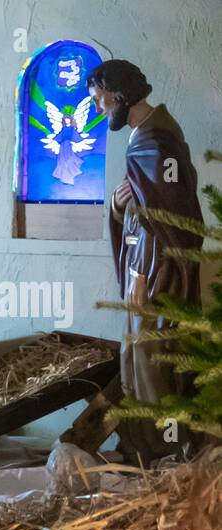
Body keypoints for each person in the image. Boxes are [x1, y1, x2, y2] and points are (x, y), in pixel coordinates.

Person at [87, 60, 203, 462]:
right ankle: (140, 443)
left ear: (120, 95)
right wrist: (120, 211)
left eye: (101, 102)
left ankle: (162, 448)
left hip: (160, 274)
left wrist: (137, 201)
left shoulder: (160, 139)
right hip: (144, 269)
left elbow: (180, 216)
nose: (102, 111)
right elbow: (141, 203)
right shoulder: (144, 137)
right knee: (136, 359)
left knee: (155, 362)